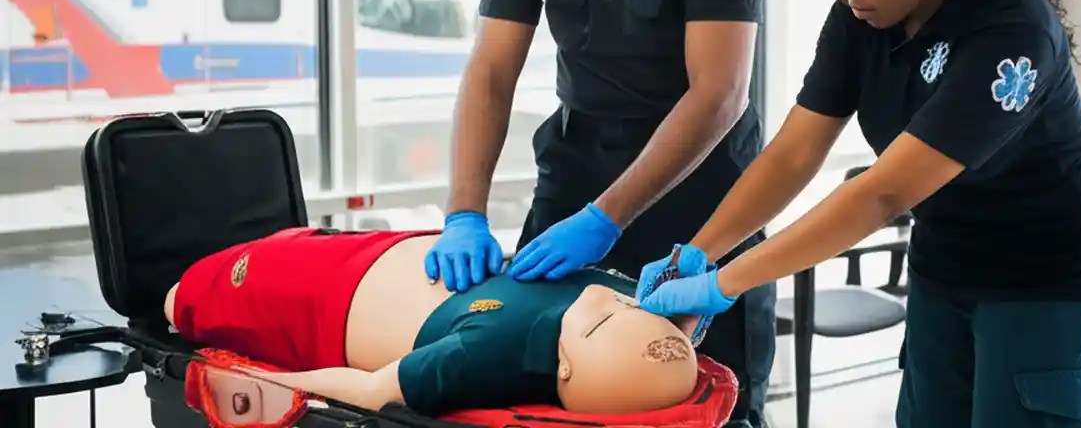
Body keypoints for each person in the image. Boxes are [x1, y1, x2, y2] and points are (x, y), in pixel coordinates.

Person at [636, 0, 1081, 427]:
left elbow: (885, 191)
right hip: (945, 266)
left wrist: (728, 282)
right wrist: (698, 253)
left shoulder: (1011, 28)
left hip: (1048, 280)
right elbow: (795, 152)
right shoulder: (862, 15)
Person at [423, 0, 775, 427]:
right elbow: (493, 70)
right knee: (534, 378)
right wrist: (463, 211)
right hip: (578, 173)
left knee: (706, 400)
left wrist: (609, 218)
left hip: (700, 191)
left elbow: (720, 93)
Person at [164, 226, 700, 417]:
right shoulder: (628, 306)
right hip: (407, 246)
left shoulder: (491, 353)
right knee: (290, 234)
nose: (613, 301)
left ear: (561, 366)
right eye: (629, 304)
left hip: (317, 301)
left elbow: (373, 390)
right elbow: (677, 326)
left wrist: (267, 382)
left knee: (177, 298)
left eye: (602, 320)